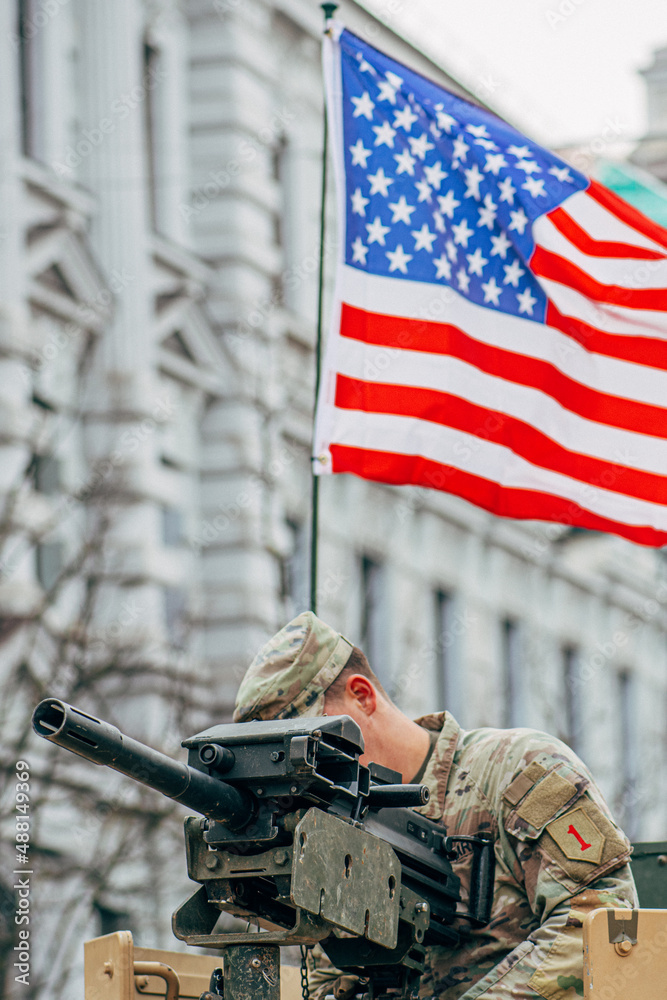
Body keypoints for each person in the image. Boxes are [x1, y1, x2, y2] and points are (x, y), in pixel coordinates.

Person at [233, 611, 637, 1000]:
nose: (304, 769)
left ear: (362, 696)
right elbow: (328, 979)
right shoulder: (333, 831)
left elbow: (609, 922)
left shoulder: (515, 769)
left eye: (313, 742)